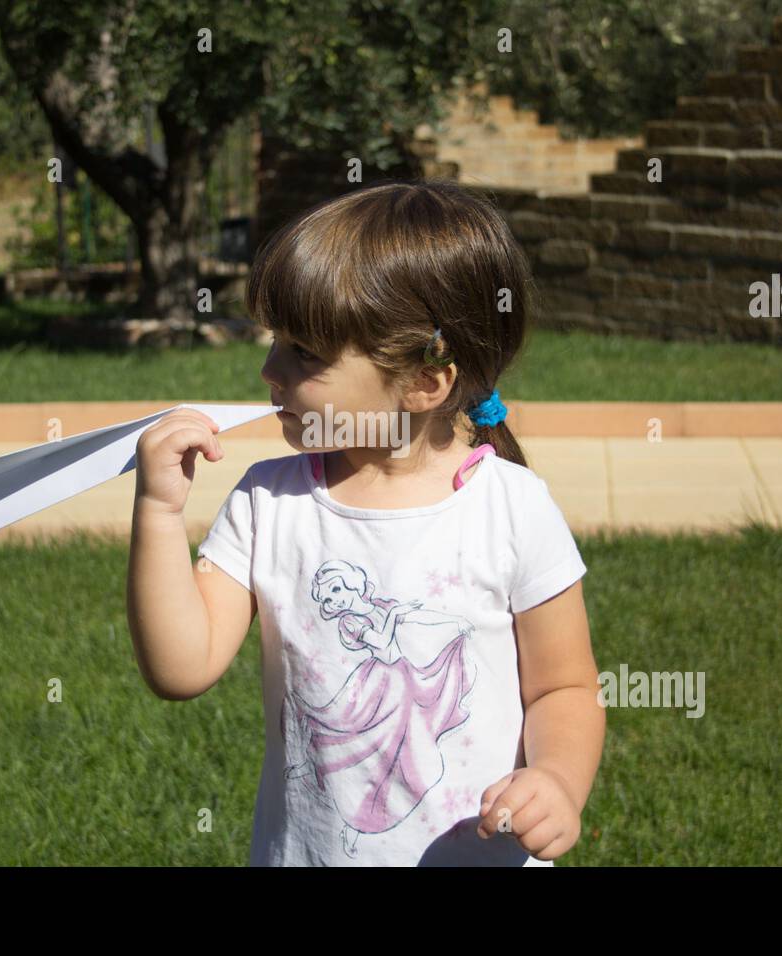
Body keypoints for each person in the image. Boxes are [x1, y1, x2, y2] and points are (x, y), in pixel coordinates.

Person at [128, 180, 604, 866]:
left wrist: (557, 780)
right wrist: (159, 512)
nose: (269, 370)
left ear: (424, 381)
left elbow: (565, 687)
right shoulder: (269, 503)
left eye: (304, 353)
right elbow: (181, 666)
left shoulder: (513, 508)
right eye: (274, 343)